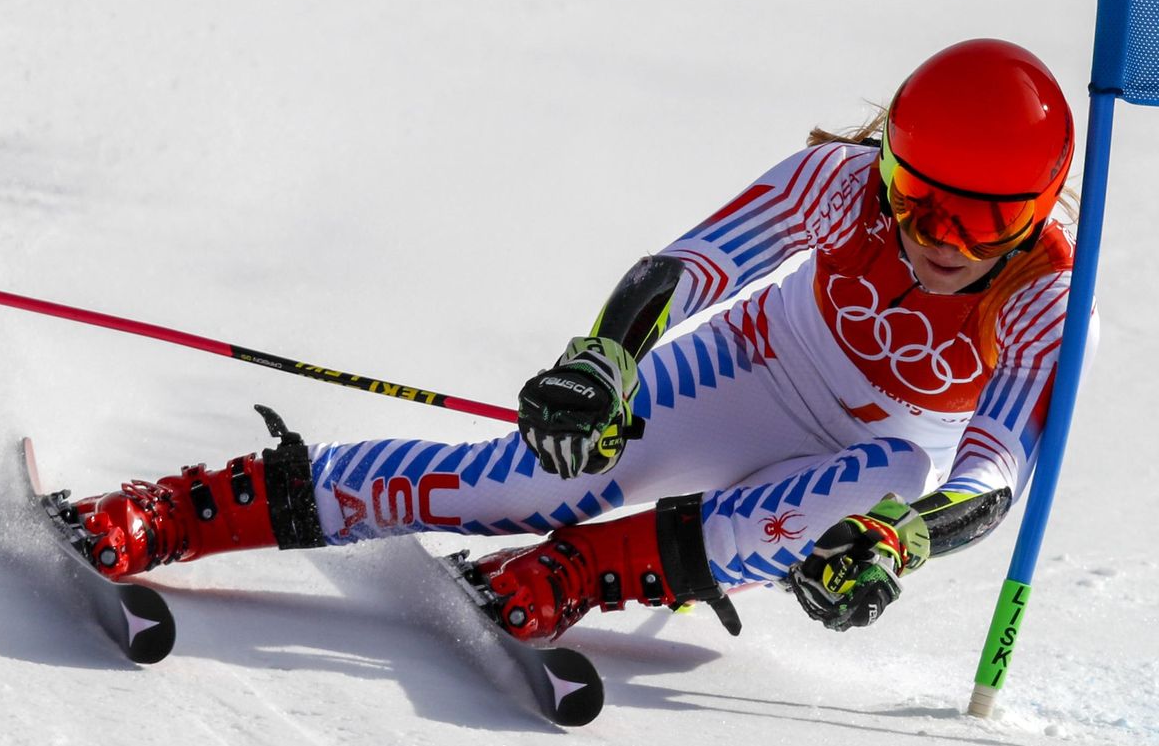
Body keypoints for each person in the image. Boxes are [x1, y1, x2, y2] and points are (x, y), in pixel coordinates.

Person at [70, 38, 1089, 641]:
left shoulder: (1047, 290)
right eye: (915, 197)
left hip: (862, 460)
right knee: (522, 482)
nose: (933, 239)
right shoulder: (843, 185)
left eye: (976, 220)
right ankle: (183, 509)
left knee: (895, 474)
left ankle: (581, 570)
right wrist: (605, 360)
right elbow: (693, 266)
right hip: (756, 366)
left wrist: (902, 537)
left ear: (1035, 211)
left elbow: (993, 472)